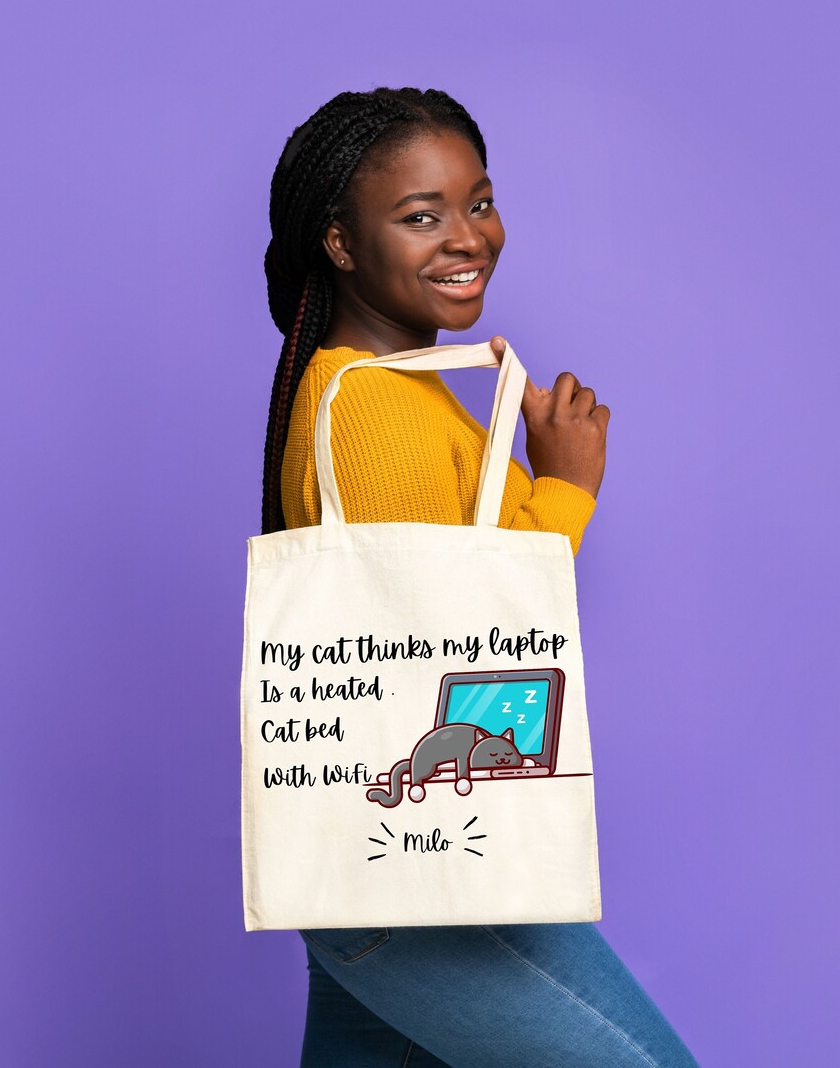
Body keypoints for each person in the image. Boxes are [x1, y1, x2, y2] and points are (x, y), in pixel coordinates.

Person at [261, 87, 699, 1068]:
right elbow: (453, 632)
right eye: (421, 216)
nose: (468, 237)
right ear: (339, 244)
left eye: (480, 201)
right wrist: (570, 488)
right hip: (424, 871)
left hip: (376, 868)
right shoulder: (373, 413)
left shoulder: (399, 394)